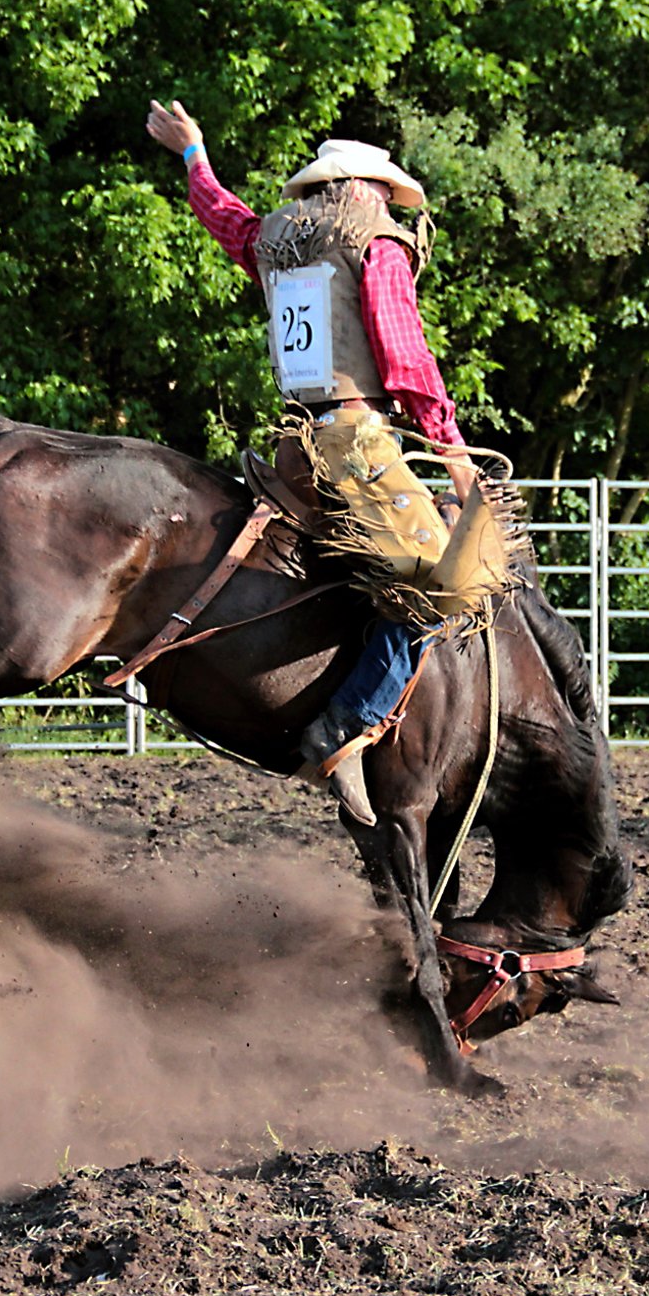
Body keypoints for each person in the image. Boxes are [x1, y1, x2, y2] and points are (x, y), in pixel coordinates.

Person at [145, 101, 481, 826]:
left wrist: (192, 154)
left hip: (294, 446)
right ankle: (346, 726)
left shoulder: (276, 239)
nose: (390, 202)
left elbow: (222, 213)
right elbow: (406, 356)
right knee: (443, 579)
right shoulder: (375, 245)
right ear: (363, 189)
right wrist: (451, 451)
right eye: (386, 190)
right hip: (356, 446)